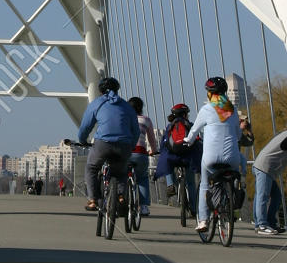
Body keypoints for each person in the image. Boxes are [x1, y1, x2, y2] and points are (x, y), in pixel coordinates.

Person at [183, 77, 247, 235]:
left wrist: (188, 141)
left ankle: (203, 219)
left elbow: (193, 132)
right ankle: (231, 208)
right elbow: (238, 135)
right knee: (231, 180)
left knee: (205, 184)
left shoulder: (207, 109)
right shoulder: (231, 110)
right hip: (232, 158)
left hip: (211, 158)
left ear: (209, 94)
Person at [75, 77, 140, 212]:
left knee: (92, 168)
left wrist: (82, 140)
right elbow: (136, 131)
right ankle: (121, 196)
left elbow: (85, 126)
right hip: (124, 144)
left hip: (103, 143)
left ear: (101, 91)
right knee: (121, 172)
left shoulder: (97, 104)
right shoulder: (127, 106)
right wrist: (131, 145)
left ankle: (93, 200)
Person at [252, 117, 287, 233]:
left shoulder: (284, 133)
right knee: (263, 196)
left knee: (275, 196)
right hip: (265, 168)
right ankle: (261, 225)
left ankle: (269, 222)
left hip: (262, 167)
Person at [155, 103, 202, 216]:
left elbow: (164, 144)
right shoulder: (190, 125)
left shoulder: (170, 126)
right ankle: (194, 209)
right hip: (187, 158)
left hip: (173, 157)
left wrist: (160, 151)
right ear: (185, 114)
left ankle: (171, 184)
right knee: (191, 183)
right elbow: (197, 142)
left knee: (167, 165)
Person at [127, 95, 158, 218]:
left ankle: (121, 200)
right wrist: (154, 151)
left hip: (126, 152)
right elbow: (151, 139)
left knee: (121, 175)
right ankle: (144, 207)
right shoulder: (146, 120)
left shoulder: (124, 118)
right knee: (142, 178)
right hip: (140, 153)